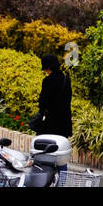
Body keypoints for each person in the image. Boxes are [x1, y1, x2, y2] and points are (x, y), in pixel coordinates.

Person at [31, 54, 73, 185]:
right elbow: (68, 99)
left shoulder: (47, 81)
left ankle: (43, 180)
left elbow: (42, 103)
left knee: (44, 152)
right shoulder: (66, 79)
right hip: (64, 123)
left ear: (48, 67)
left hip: (50, 123)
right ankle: (61, 183)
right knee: (61, 156)